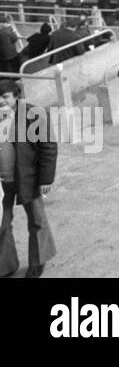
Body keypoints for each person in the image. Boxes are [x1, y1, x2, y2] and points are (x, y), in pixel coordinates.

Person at [0, 79, 57, 277]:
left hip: (27, 177)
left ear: (16, 96)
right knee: (2, 223)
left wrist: (46, 179)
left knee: (37, 220)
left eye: (5, 96)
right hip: (2, 182)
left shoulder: (34, 114)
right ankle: (5, 266)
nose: (1, 101)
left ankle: (38, 261)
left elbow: (48, 147)